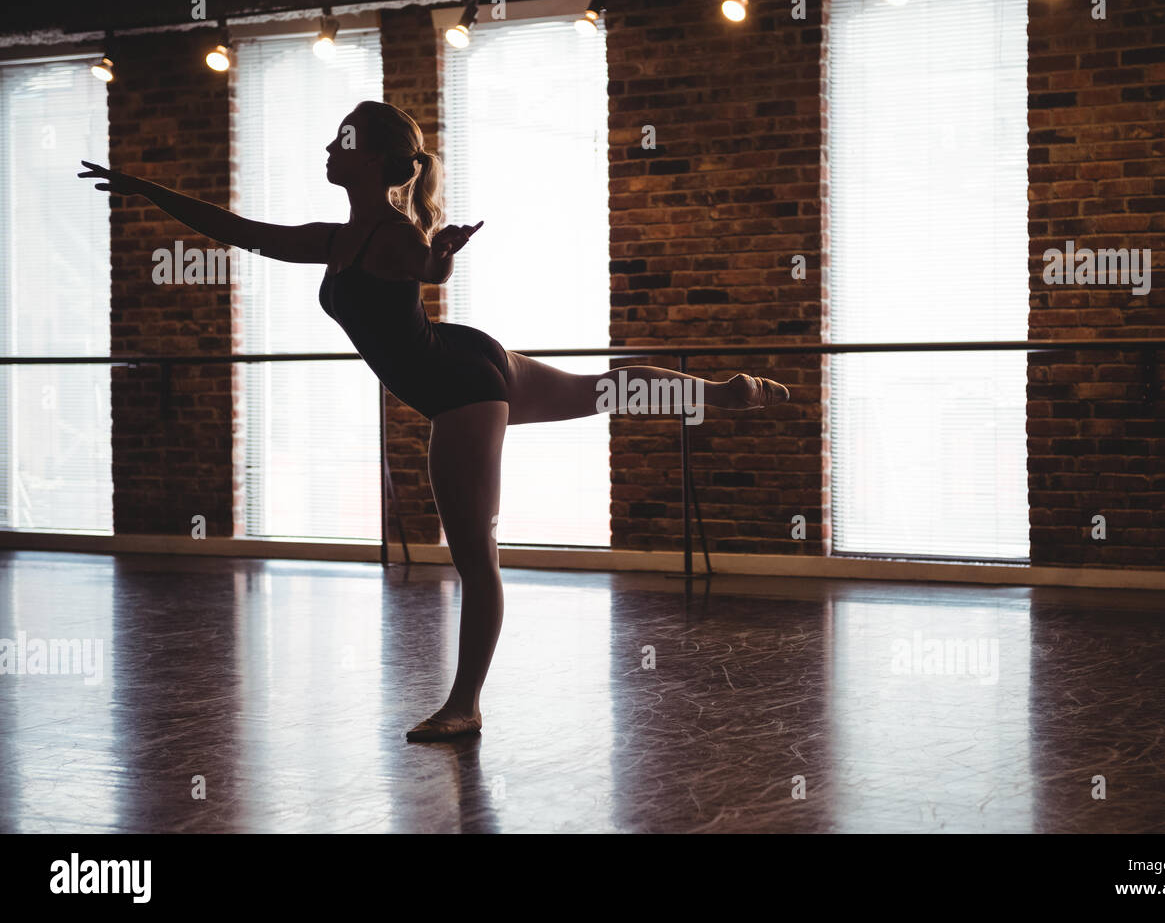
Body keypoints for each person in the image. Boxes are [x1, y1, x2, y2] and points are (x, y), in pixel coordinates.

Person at [79, 99, 789, 741]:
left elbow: (426, 267)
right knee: (599, 391)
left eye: (343, 140)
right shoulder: (341, 236)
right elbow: (243, 231)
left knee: (475, 552)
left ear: (377, 160)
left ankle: (465, 704)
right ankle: (723, 394)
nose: (329, 147)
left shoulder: (388, 235)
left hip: (458, 388)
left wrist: (442, 258)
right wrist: (147, 190)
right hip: (471, 359)